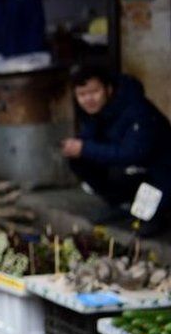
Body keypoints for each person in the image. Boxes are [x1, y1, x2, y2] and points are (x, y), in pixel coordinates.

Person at [62, 65, 171, 236]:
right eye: (82, 95)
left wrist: (85, 148)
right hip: (133, 170)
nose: (88, 99)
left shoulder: (137, 109)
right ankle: (121, 204)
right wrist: (78, 147)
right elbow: (88, 139)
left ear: (108, 88)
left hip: (160, 175)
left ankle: (156, 213)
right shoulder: (94, 112)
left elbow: (134, 153)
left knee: (144, 224)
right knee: (79, 158)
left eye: (94, 92)